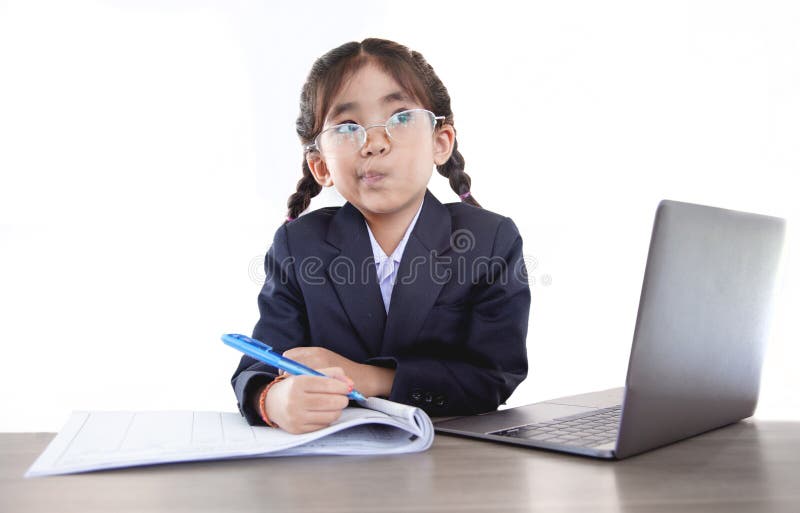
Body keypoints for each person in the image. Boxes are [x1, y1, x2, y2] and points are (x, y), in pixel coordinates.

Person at [231, 38, 530, 434]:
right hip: (333, 456)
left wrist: (370, 378)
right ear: (321, 166)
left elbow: (494, 376)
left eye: (400, 118)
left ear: (440, 142)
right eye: (347, 128)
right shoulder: (298, 246)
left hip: (452, 455)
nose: (374, 143)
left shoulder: (490, 240)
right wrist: (275, 400)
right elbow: (256, 368)